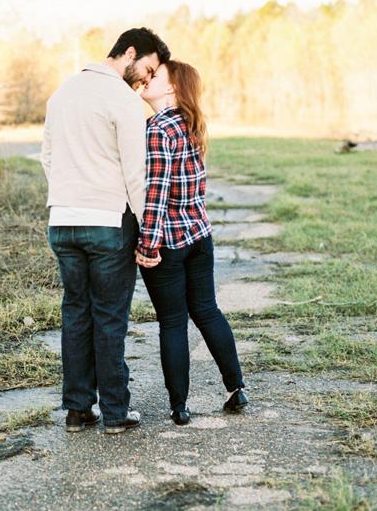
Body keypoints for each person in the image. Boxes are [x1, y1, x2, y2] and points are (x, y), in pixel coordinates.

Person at [41, 27, 170, 434]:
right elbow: (136, 174)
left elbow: (46, 156)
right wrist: (146, 228)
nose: (146, 81)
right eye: (147, 70)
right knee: (109, 318)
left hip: (62, 221)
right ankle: (116, 412)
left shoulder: (62, 93)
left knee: (76, 313)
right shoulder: (123, 101)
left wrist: (69, 192)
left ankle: (78, 410)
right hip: (108, 221)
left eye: (151, 77)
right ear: (129, 52)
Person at [129, 59, 248, 426]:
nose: (147, 79)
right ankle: (236, 389)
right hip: (200, 236)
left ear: (173, 88)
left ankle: (179, 407)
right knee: (207, 310)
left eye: (156, 76)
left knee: (173, 322)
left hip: (169, 242)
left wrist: (147, 246)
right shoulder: (191, 124)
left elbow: (157, 194)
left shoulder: (159, 129)